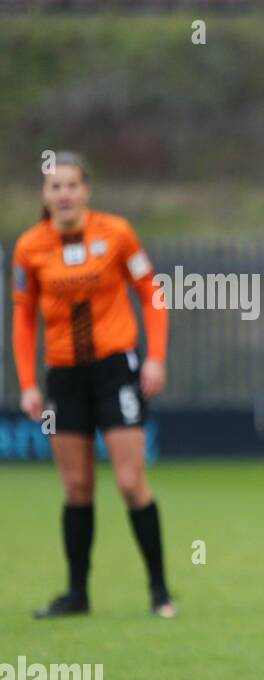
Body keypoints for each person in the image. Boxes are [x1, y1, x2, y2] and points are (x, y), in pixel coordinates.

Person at [12, 151, 176, 619]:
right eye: (54, 186)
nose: (64, 194)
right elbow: (23, 319)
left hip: (114, 370)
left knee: (129, 482)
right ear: (44, 196)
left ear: (87, 190)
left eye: (72, 185)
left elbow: (153, 292)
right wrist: (28, 382)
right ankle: (77, 594)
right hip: (64, 376)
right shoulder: (30, 247)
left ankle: (159, 591)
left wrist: (156, 358)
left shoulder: (117, 234)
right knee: (77, 486)